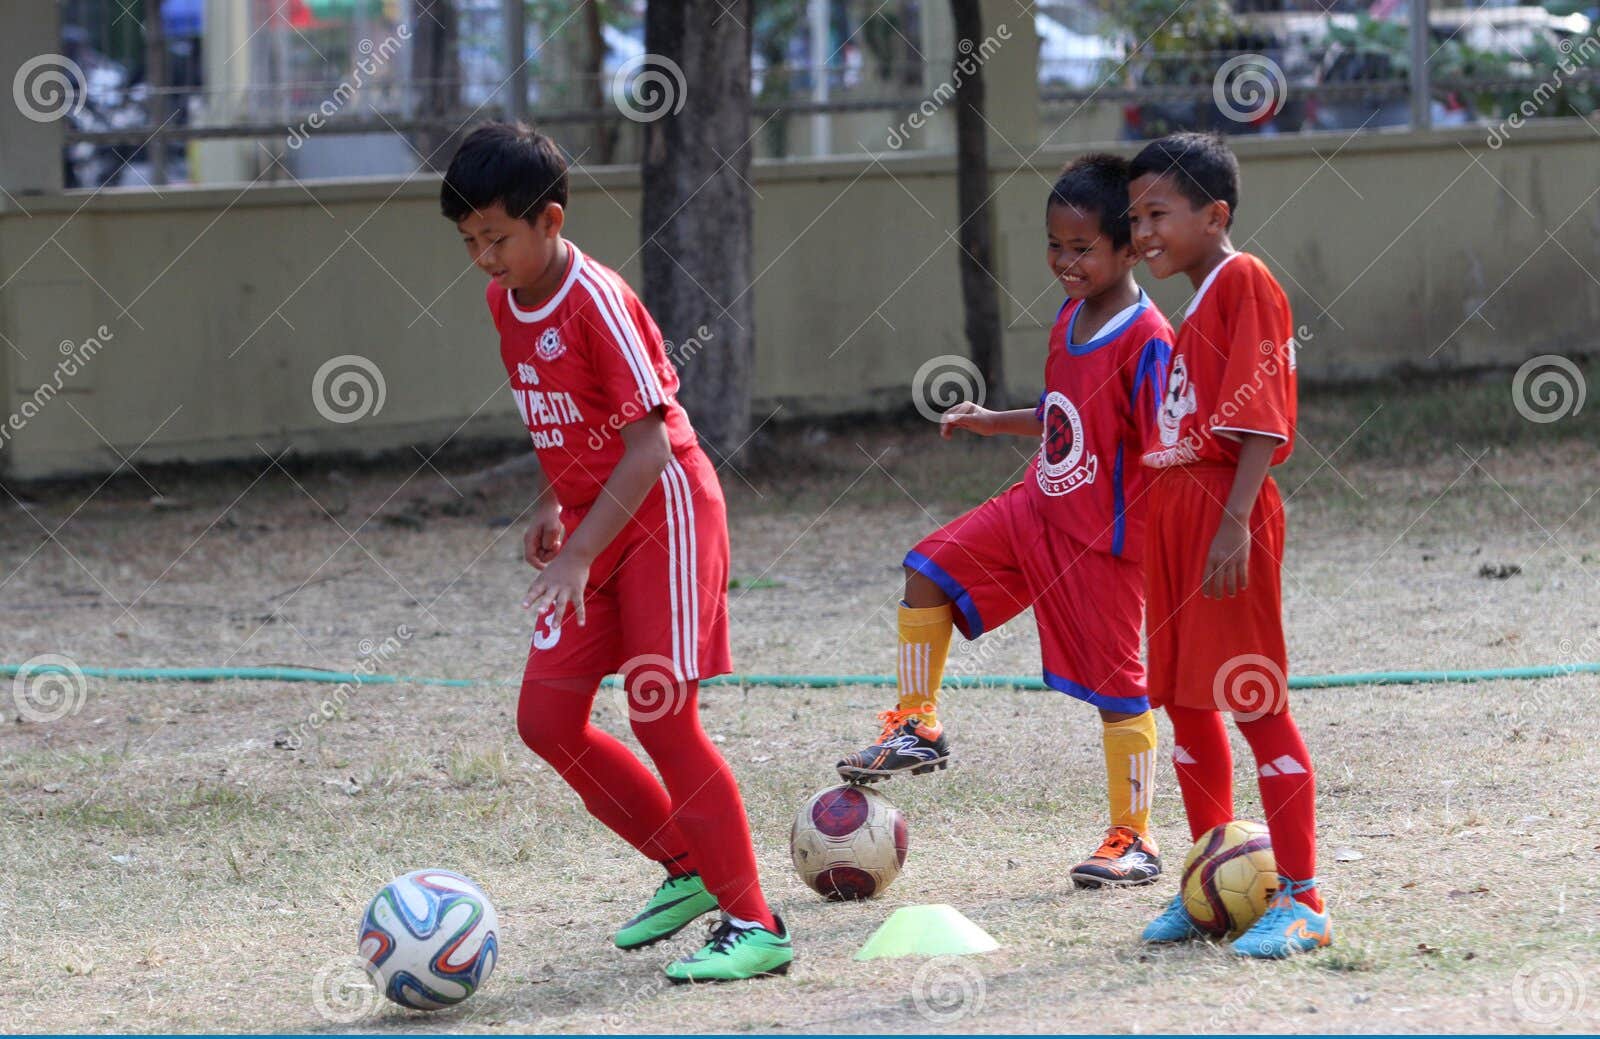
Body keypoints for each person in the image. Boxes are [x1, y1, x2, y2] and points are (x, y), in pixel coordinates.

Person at [441, 122, 791, 982]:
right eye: (469, 241)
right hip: (593, 526)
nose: (485, 258)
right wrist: (552, 507)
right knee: (545, 720)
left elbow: (648, 448)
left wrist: (578, 553)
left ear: (550, 220)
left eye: (498, 237)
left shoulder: (594, 298)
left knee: (660, 714)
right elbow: (561, 419)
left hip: (663, 516)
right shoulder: (504, 302)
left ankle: (757, 924)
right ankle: (687, 865)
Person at [836, 154, 1175, 888]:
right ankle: (918, 724)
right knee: (928, 567)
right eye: (1055, 245)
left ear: (1129, 248)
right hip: (1035, 509)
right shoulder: (1068, 315)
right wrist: (996, 421)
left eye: (1083, 248)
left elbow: (1163, 447)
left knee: (1120, 691)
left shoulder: (1148, 339)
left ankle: (1135, 837)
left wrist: (1190, 534)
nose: (1065, 261)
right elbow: (1067, 421)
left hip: (1100, 541)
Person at [1125, 132, 1332, 957]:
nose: (1143, 233)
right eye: (1134, 216)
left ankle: (1306, 897)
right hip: (1176, 509)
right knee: (1184, 699)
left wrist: (1235, 520)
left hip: (1221, 506)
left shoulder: (1244, 280)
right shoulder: (1196, 298)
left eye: (1159, 213)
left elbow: (1259, 418)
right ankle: (1214, 880)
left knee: (1253, 698)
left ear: (1215, 215)